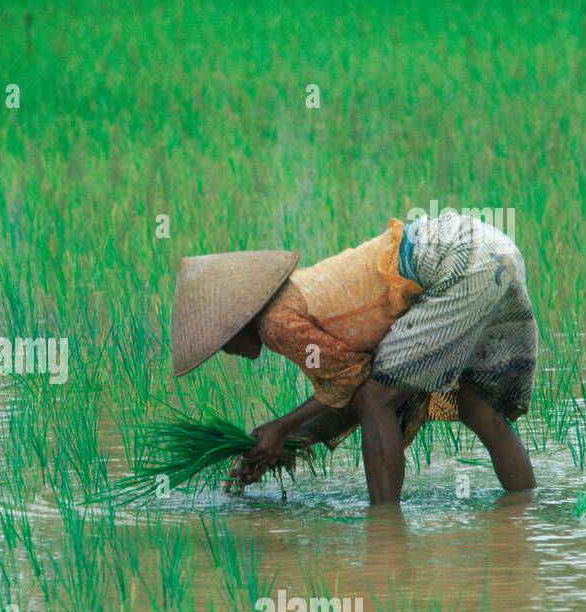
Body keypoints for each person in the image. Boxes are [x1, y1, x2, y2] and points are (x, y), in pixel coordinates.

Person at [169, 209, 537, 505]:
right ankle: (527, 512)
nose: (231, 353)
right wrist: (282, 441)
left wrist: (279, 429)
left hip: (459, 262)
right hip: (495, 250)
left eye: (223, 344)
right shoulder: (299, 294)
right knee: (480, 410)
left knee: (377, 401)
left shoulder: (275, 323)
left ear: (238, 323)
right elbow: (350, 386)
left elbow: (354, 384)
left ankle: (385, 533)